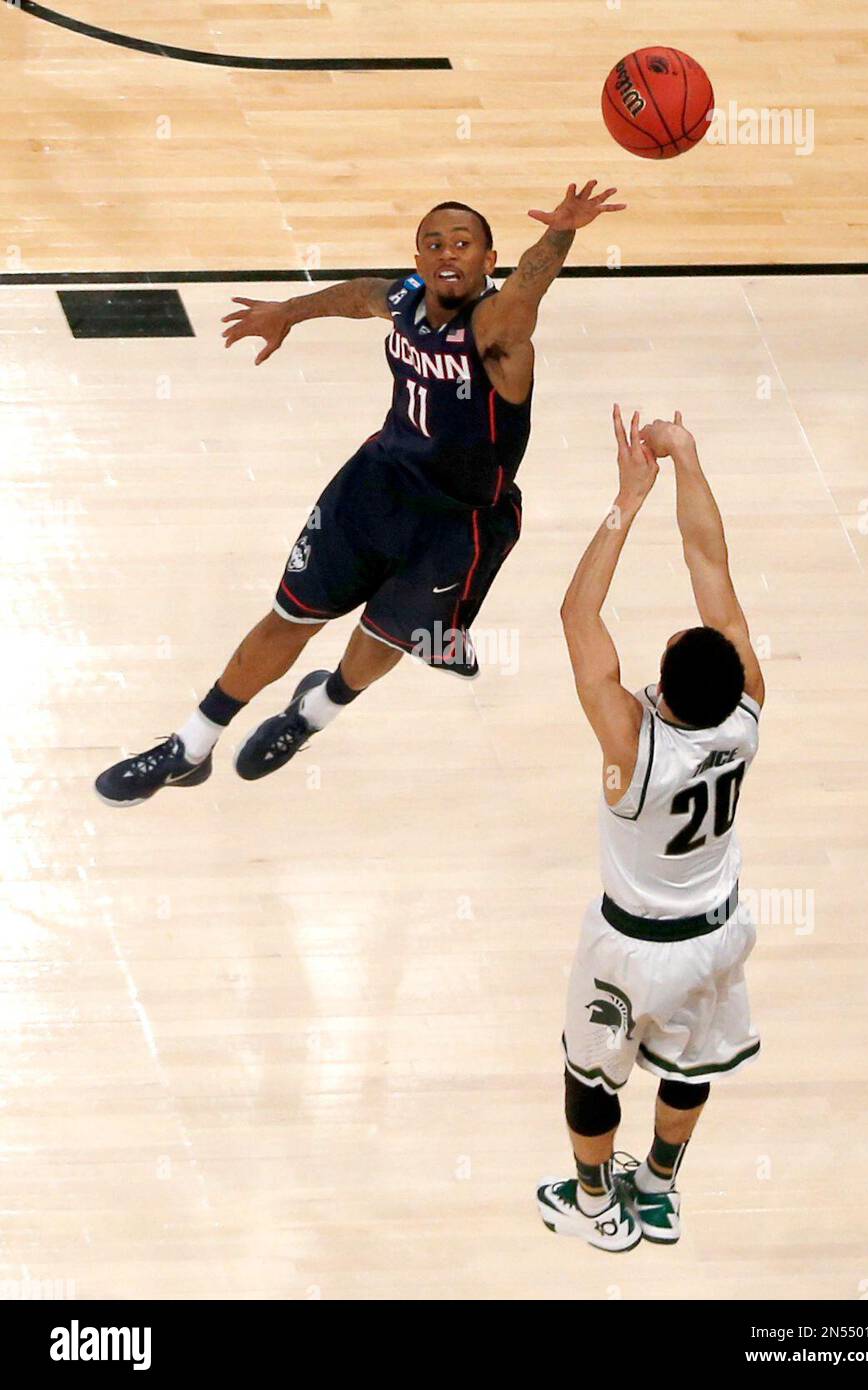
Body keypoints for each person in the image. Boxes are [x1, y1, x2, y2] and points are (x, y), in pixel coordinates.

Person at [95, 183, 625, 806]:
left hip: (459, 519)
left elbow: (529, 287)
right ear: (419, 258)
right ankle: (190, 747)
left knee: (385, 635)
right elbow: (358, 294)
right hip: (376, 485)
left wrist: (561, 230)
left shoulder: (496, 328)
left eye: (463, 243)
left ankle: (314, 711)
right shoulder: (404, 299)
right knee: (292, 615)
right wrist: (290, 311)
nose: (447, 252)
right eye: (434, 243)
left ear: (489, 260)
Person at [537, 408, 765, 1253]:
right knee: (689, 1062)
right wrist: (688, 459)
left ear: (660, 686)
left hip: (633, 946)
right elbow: (711, 562)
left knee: (591, 1072)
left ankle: (595, 1202)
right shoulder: (746, 710)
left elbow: (576, 615)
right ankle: (660, 1189)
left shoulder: (632, 742)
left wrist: (627, 501)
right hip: (717, 934)